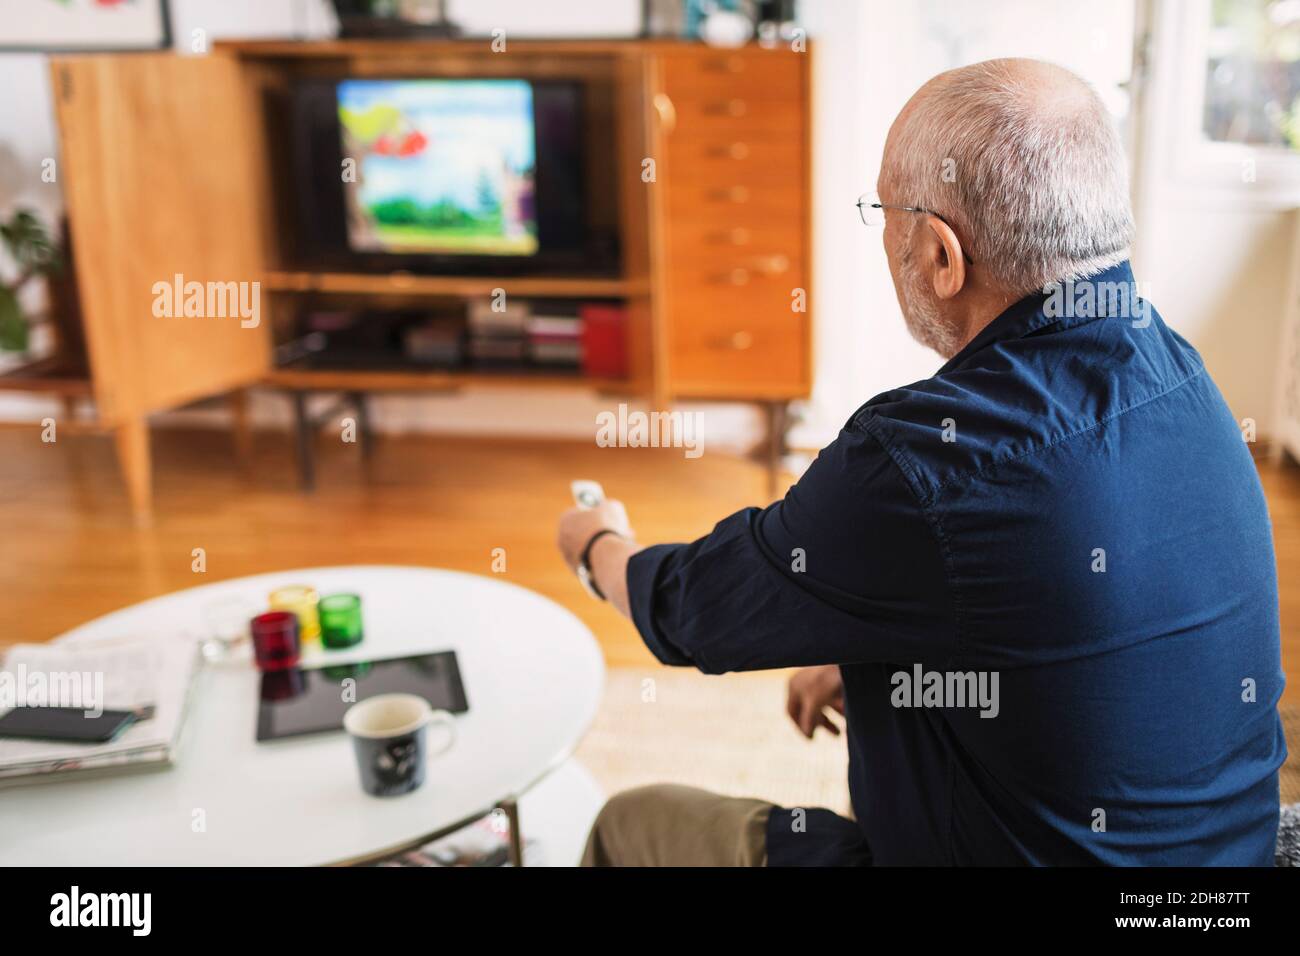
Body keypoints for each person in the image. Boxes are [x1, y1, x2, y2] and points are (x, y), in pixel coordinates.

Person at [556, 58, 1286, 866]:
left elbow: (694, 612)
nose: (882, 236)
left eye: (884, 213)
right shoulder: (1180, 367)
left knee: (632, 822)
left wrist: (599, 548)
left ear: (941, 256)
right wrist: (861, 645)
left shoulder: (924, 463)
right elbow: (1067, 610)